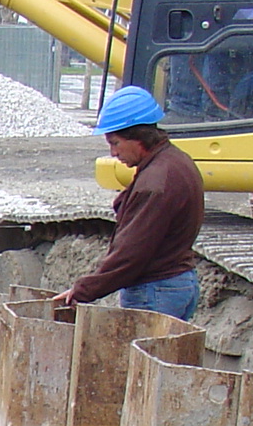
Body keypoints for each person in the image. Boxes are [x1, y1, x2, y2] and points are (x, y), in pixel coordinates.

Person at [51, 85, 204, 320]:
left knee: (142, 357)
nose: (113, 153)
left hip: (155, 290)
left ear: (137, 137)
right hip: (177, 284)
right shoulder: (177, 161)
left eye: (115, 143)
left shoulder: (154, 183)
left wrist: (83, 291)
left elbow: (131, 254)